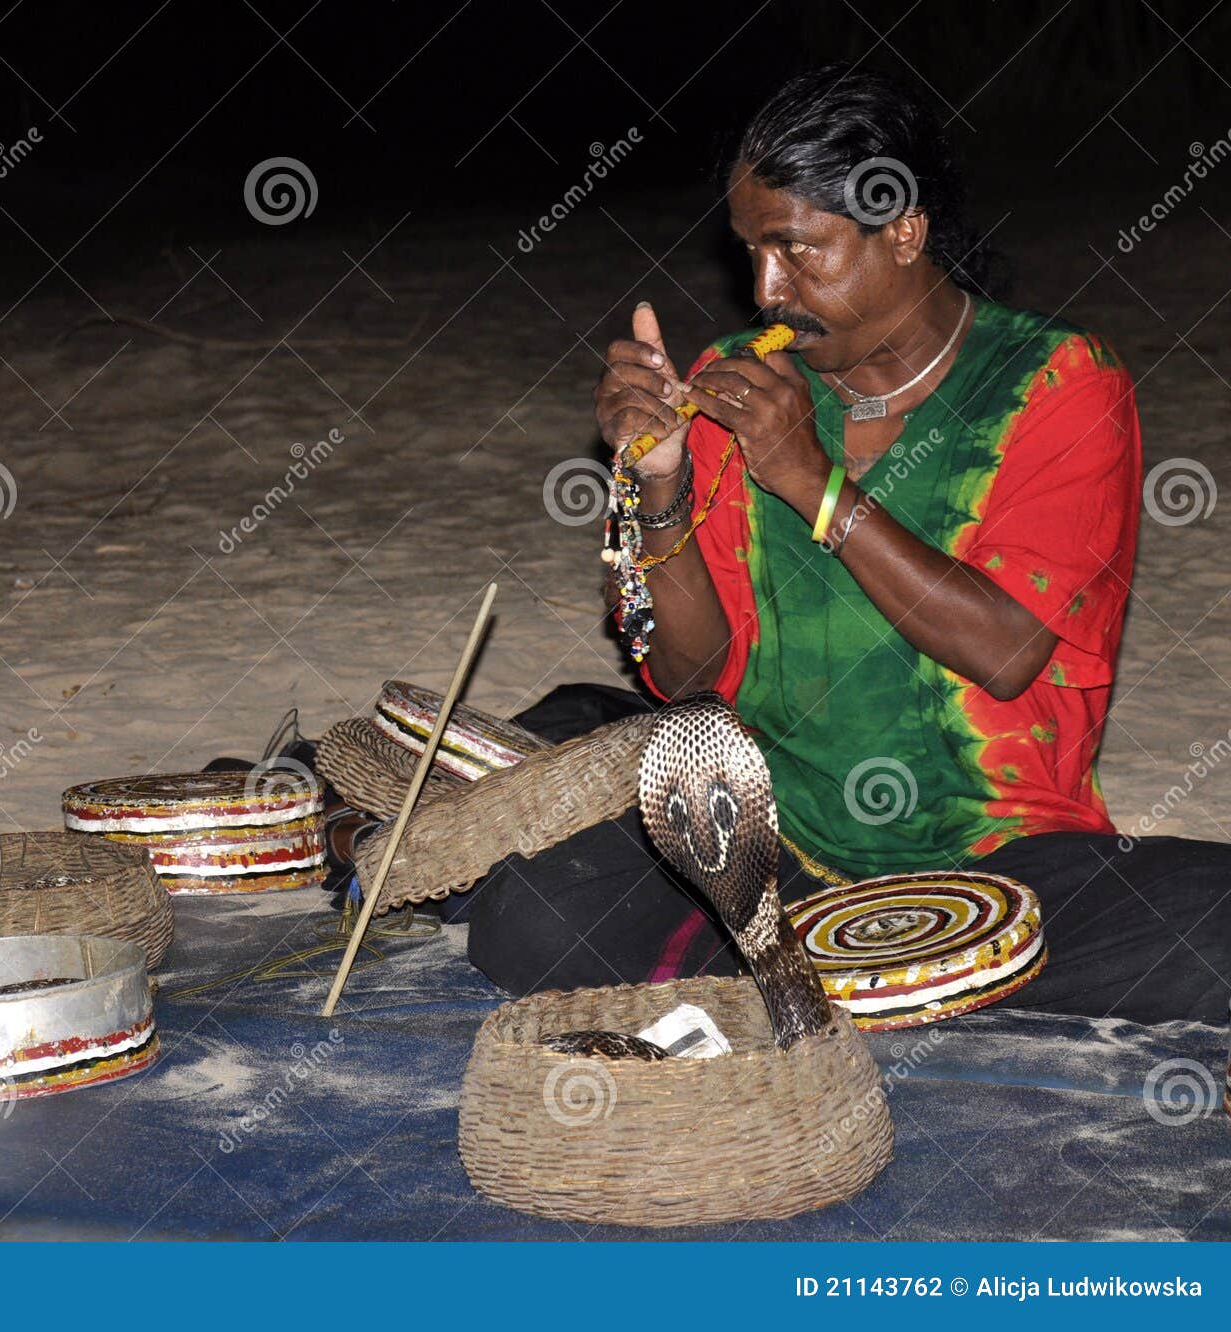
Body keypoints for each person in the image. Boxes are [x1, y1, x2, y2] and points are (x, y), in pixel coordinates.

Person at [454, 64, 1231, 1027]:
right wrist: (660, 482)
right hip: (771, 839)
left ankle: (807, 979)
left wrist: (812, 483)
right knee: (530, 918)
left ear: (902, 230)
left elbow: (1006, 650)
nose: (767, 290)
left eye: (797, 249)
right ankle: (886, 980)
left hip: (998, 854)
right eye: (751, 252)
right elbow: (690, 678)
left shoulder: (1056, 382)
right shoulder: (736, 386)